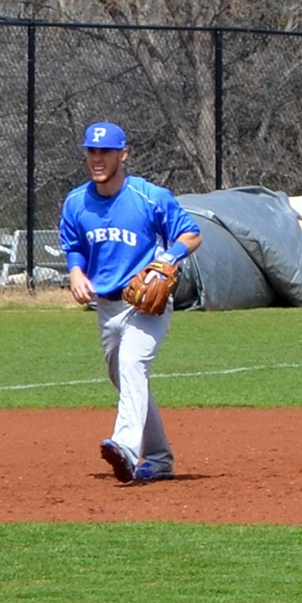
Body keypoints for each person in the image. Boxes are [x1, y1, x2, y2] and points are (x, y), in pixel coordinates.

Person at [59, 121, 202, 484]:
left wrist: (168, 259)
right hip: (106, 308)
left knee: (132, 361)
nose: (97, 158)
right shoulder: (77, 203)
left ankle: (124, 445)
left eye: (105, 151)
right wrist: (76, 273)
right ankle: (158, 457)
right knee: (123, 375)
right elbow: (74, 245)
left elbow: (190, 233)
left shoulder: (149, 197)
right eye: (91, 150)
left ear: (123, 154)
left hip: (145, 304)